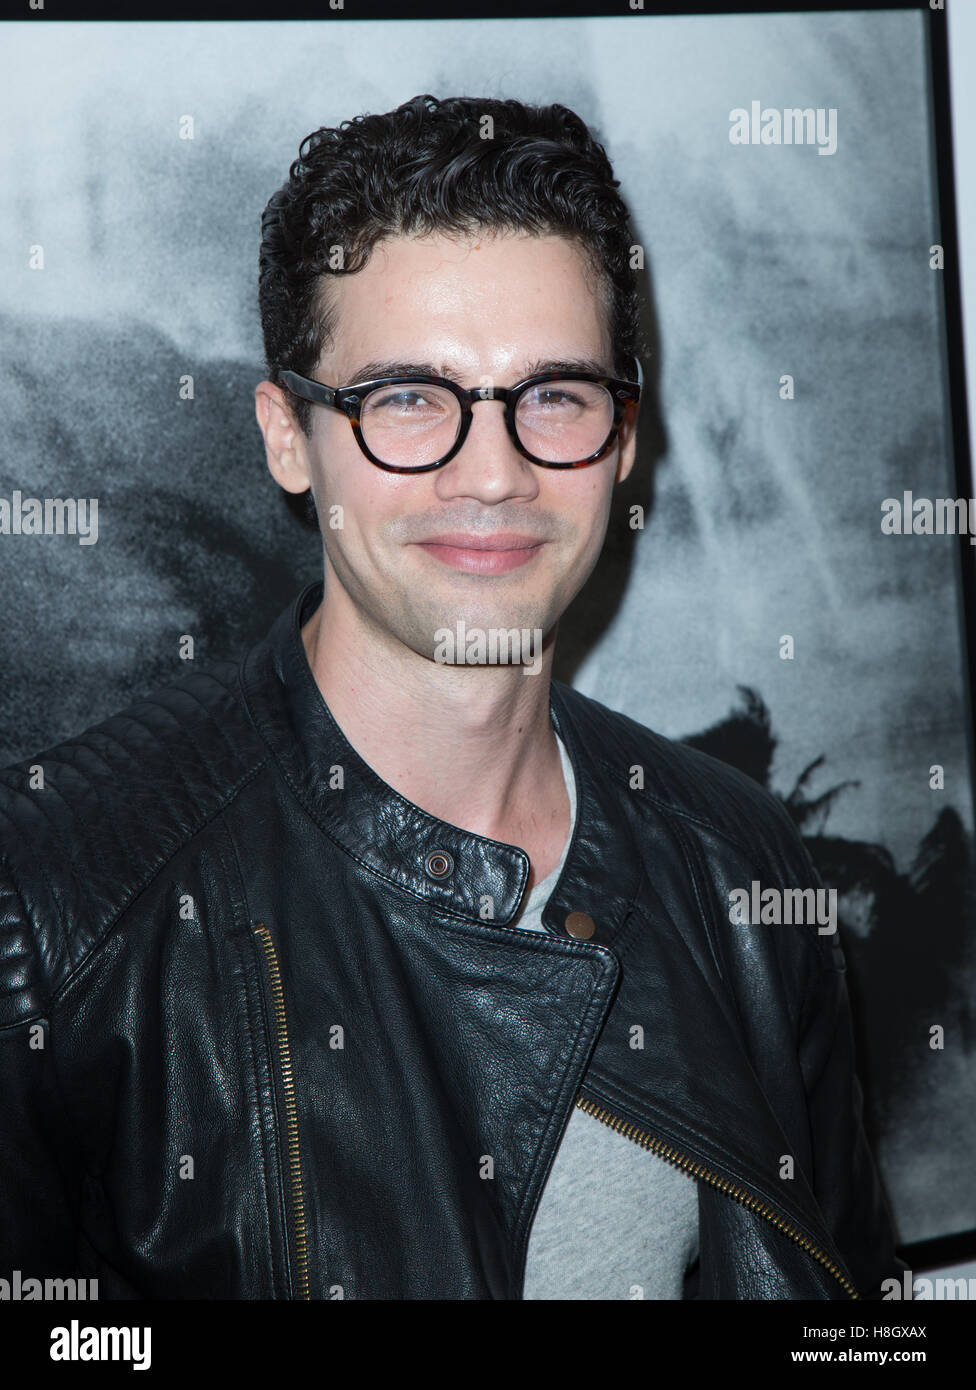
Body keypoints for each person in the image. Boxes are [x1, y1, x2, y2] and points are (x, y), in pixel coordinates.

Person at [0, 93, 902, 1300]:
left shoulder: (741, 866)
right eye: (409, 399)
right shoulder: (58, 902)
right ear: (285, 435)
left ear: (623, 438)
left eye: (556, 396)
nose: (494, 471)